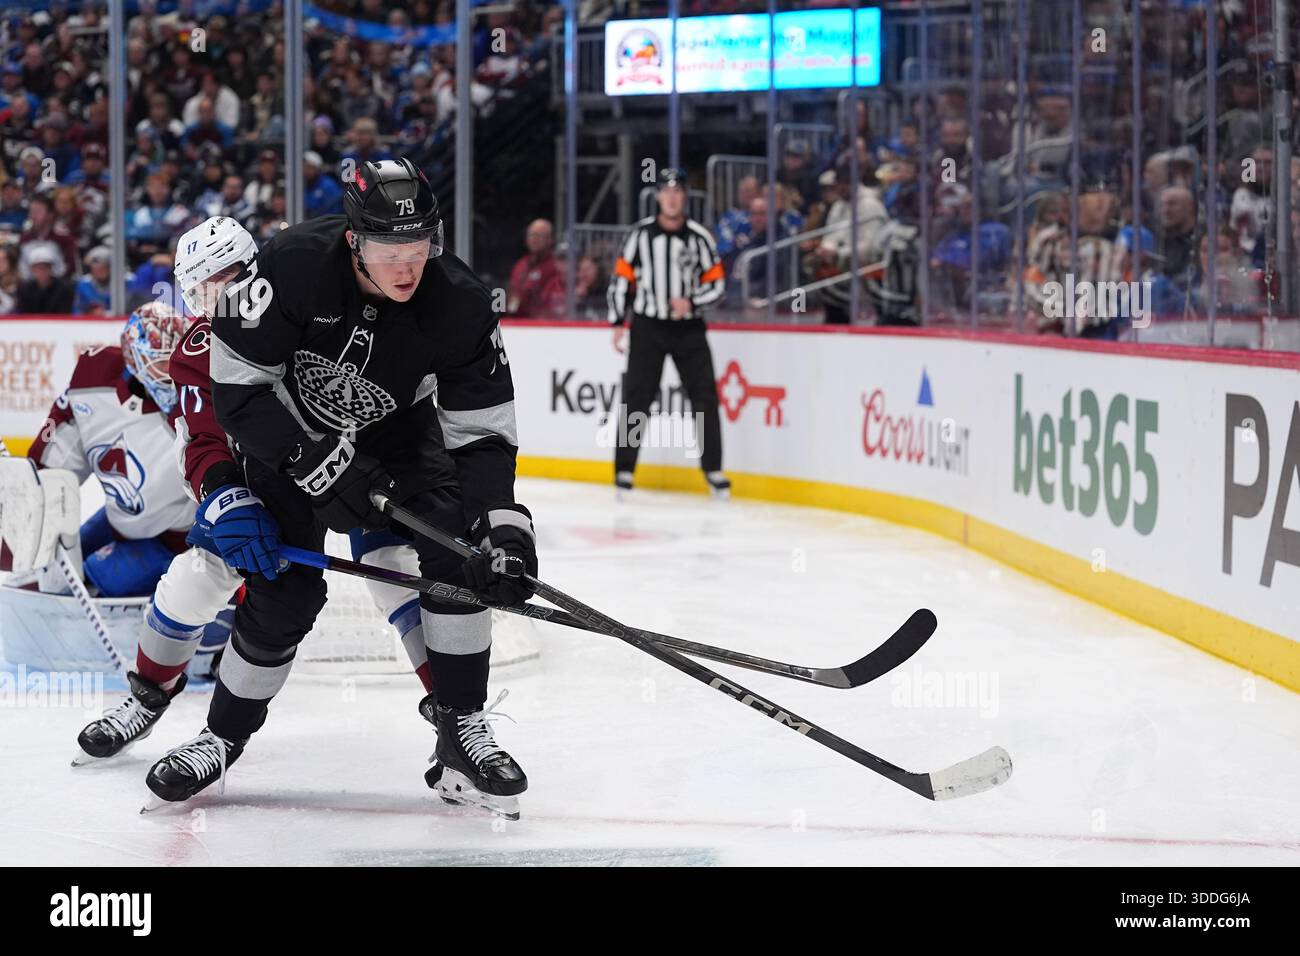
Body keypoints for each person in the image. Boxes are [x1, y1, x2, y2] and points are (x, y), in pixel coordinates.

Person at [146, 158, 536, 820]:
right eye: (390, 249)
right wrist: (314, 461)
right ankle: (221, 735)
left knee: (459, 554)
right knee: (281, 585)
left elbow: (483, 433)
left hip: (399, 439)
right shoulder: (292, 264)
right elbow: (237, 390)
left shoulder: (461, 302)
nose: (407, 267)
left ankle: (462, 728)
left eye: (419, 249)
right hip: (288, 435)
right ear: (355, 239)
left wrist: (503, 525)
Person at [607, 167, 729, 497]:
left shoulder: (700, 237)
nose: (672, 197)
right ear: (658, 196)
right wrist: (618, 321)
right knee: (636, 398)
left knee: (704, 397)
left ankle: (714, 470)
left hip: (689, 329)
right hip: (648, 326)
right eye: (666, 191)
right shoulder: (639, 235)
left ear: (685, 196)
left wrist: (691, 302)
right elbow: (622, 279)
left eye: (678, 191)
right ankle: (624, 471)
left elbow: (717, 284)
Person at [506, 218, 563, 317]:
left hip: (540, 324)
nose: (534, 239)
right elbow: (512, 290)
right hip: (515, 321)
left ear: (550, 239)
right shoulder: (521, 264)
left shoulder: (556, 266)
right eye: (531, 235)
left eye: (539, 235)